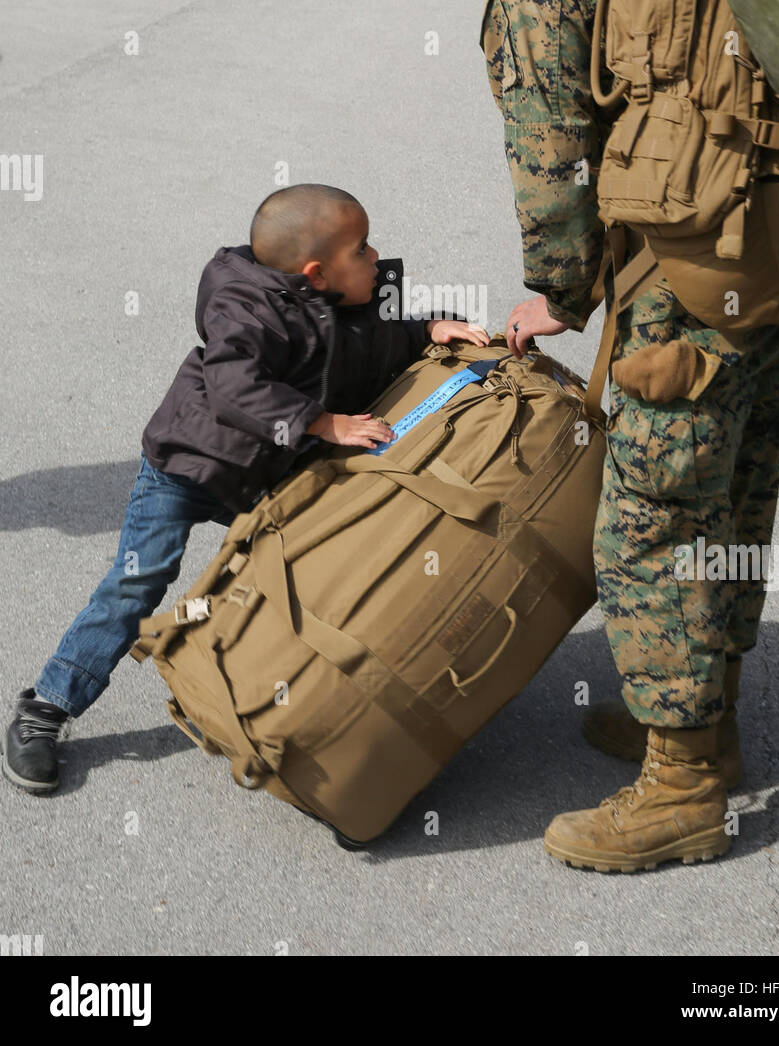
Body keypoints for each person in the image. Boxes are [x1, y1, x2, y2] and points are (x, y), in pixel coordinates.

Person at [426, 0, 779, 873]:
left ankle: (682, 787)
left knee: (648, 522)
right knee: (735, 490)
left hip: (682, 291)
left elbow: (549, 164)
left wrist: (553, 291)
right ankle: (705, 720)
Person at [1, 184, 488, 794]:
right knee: (137, 581)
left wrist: (427, 330)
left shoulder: (347, 298)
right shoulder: (246, 306)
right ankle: (45, 708)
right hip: (191, 465)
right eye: (362, 250)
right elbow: (234, 387)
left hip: (272, 470)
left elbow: (373, 341)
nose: (376, 256)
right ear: (315, 274)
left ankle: (301, 713)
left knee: (309, 574)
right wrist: (322, 421)